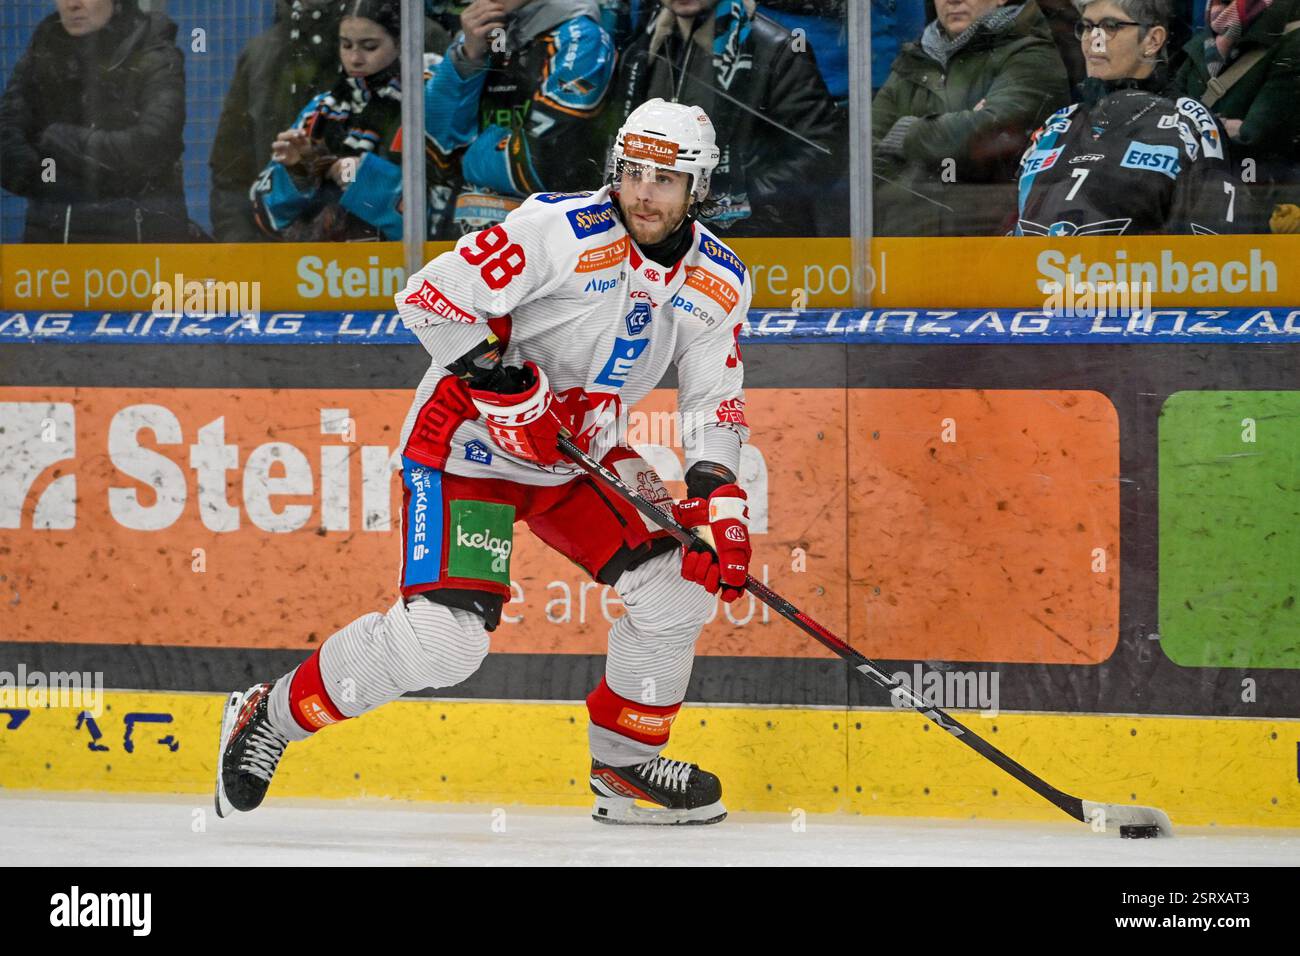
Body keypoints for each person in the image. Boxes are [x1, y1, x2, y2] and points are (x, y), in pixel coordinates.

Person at [216, 99, 754, 826]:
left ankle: (626, 768)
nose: (644, 192)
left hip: (578, 457)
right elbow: (430, 299)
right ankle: (270, 716)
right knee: (445, 645)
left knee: (678, 587)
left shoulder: (718, 277)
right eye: (632, 172)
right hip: (469, 449)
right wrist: (505, 389)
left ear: (700, 187)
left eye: (665, 178)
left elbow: (714, 400)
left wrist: (718, 503)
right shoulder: (558, 231)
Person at [210, 0, 450, 242]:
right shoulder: (324, 108)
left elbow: (435, 210)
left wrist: (351, 173)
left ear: (400, 43)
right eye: (346, 45)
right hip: (321, 271)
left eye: (370, 46)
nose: (355, 58)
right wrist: (297, 172)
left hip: (399, 269)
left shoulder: (425, 99)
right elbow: (266, 214)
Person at [610, 0, 842, 236]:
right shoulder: (645, 47)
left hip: (754, 236)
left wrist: (746, 195)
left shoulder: (774, 47)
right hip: (660, 231)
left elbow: (823, 148)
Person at [1015, 0, 1243, 235]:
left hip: (1134, 271)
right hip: (1040, 270)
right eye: (1087, 27)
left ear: (1152, 40)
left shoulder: (1190, 122)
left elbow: (1211, 248)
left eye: (1111, 26)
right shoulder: (1058, 124)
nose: (1094, 39)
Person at [872, 0, 1071, 236]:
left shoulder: (1031, 54)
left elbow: (989, 134)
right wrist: (954, 132)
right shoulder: (914, 59)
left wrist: (906, 132)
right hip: (908, 237)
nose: (953, 0)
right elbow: (863, 152)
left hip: (993, 240)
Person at [0, 0, 192, 242]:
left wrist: (58, 141)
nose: (72, 5)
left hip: (137, 242)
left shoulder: (153, 51)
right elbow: (7, 143)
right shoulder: (43, 48)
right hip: (52, 245)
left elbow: (152, 145)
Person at [425, 0, 617, 237]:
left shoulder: (582, 38)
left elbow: (545, 162)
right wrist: (468, 58)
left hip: (551, 240)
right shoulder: (483, 34)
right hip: (468, 239)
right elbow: (434, 155)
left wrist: (467, 157)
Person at [1172, 0, 1300, 231]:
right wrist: (1226, 126)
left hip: (1266, 207)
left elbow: (1256, 133)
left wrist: (1202, 126)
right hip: (1202, 200)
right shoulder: (1208, 36)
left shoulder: (1293, 38)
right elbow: (1172, 114)